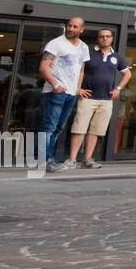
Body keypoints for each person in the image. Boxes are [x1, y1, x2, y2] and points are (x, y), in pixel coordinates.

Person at [66, 28, 130, 169]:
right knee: (79, 128)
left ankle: (87, 159)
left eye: (107, 36)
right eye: (102, 36)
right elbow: (80, 70)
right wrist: (78, 88)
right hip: (88, 97)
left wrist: (118, 89)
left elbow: (127, 74)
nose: (105, 39)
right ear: (98, 38)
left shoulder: (116, 57)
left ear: (112, 38)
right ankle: (72, 159)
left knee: (96, 130)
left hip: (106, 100)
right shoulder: (89, 53)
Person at [38, 17, 90, 172]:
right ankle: (44, 160)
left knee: (59, 128)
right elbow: (43, 67)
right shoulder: (56, 43)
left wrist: (77, 89)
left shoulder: (83, 47)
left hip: (71, 93)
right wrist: (55, 84)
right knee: (49, 126)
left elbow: (81, 70)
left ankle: (49, 159)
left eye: (75, 27)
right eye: (69, 26)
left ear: (81, 29)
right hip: (55, 92)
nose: (71, 29)